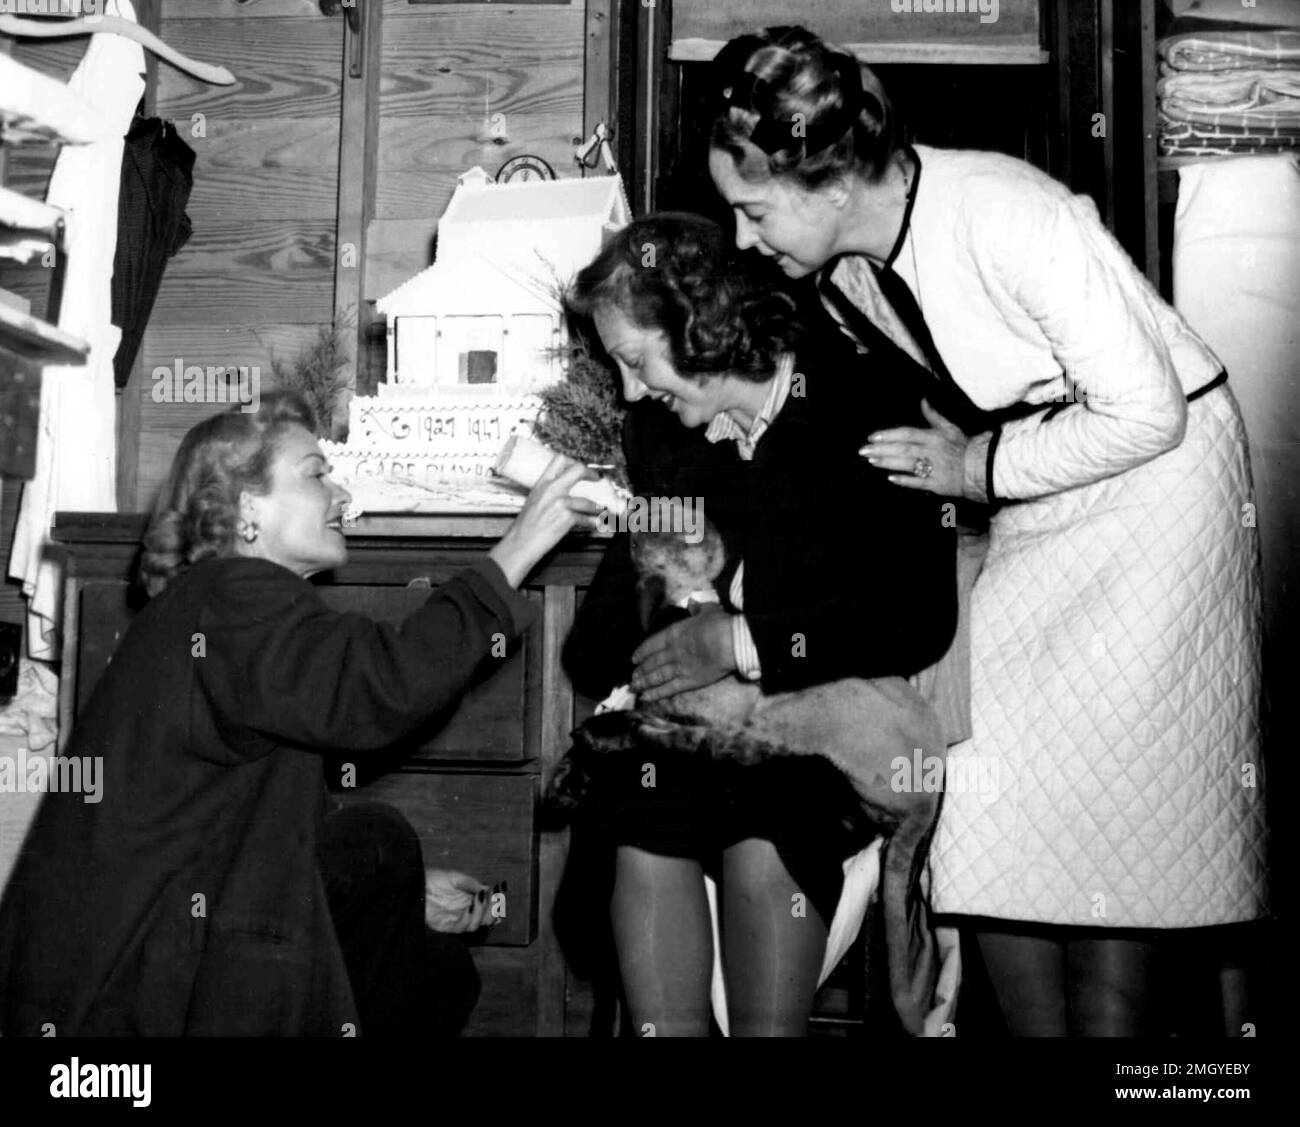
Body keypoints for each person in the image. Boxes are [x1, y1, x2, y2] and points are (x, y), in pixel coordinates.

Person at [704, 26, 1267, 1036]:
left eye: (752, 208)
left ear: (826, 178)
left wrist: (975, 465)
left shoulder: (1003, 208)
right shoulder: (844, 277)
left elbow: (1147, 411)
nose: (744, 238)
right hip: (1042, 492)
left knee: (1117, 806)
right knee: (996, 790)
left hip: (1160, 490)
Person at [0, 391, 600, 1036]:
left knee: (416, 934)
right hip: (126, 984)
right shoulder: (235, 592)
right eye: (317, 474)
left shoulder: (215, 602)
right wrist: (519, 547)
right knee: (379, 852)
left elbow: (243, 819)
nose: (343, 496)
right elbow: (381, 688)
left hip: (127, 954)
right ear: (245, 505)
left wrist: (405, 893)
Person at [560, 213, 957, 1036]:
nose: (632, 391)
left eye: (636, 361)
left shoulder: (862, 405)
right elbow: (596, 642)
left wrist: (738, 640)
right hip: (701, 740)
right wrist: (649, 612)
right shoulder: (660, 432)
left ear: (701, 326)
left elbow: (916, 615)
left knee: (765, 827)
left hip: (832, 727)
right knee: (645, 811)